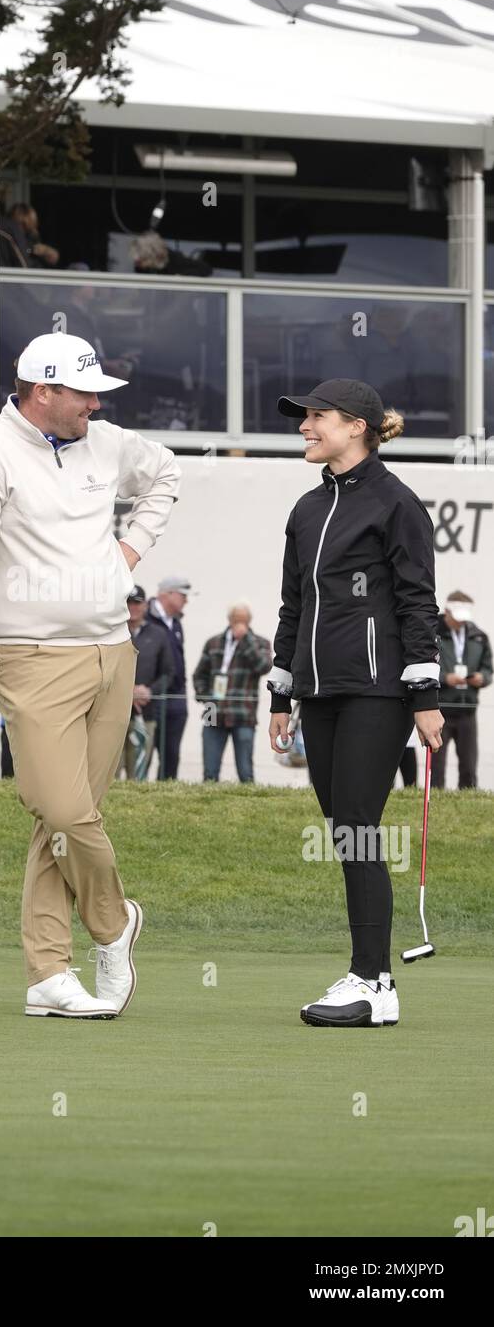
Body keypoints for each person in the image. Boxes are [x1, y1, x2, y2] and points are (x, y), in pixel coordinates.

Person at [0, 332, 181, 1019]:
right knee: (63, 808)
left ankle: (47, 974)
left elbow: (165, 474)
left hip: (111, 652)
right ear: (42, 391)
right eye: (83, 392)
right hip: (29, 656)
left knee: (62, 822)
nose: (95, 404)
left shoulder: (104, 441)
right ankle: (113, 924)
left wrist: (127, 551)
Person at [268, 379, 444, 1029]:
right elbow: (294, 606)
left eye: (318, 417)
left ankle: (373, 981)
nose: (305, 427)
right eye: (305, 418)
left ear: (357, 427)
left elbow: (417, 602)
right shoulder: (306, 511)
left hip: (380, 691)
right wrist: (281, 692)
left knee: (357, 824)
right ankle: (370, 975)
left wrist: (425, 698)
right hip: (318, 692)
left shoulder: (398, 504)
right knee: (345, 830)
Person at [194, 603, 272, 783]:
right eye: (236, 620)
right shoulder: (213, 643)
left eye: (243, 621)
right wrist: (206, 697)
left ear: (249, 622)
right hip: (213, 710)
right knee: (210, 772)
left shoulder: (260, 643)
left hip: (243, 713)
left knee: (245, 772)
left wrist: (246, 640)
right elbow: (199, 675)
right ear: (229, 621)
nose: (239, 625)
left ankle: (247, 801)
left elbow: (263, 666)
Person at [430, 590, 492, 790]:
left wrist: (482, 678)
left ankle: (468, 795)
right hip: (441, 710)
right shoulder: (433, 634)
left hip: (467, 710)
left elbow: (488, 669)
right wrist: (445, 678)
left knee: (468, 764)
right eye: (457, 618)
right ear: (447, 611)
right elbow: (425, 665)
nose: (461, 623)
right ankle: (436, 798)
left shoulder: (479, 637)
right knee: (437, 765)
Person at [117, 585, 174, 780]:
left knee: (139, 769)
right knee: (110, 770)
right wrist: (127, 691)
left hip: (145, 712)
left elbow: (168, 672)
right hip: (113, 711)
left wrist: (148, 691)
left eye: (137, 603)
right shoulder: (113, 632)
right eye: (129, 602)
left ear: (145, 606)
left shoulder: (159, 634)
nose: (132, 607)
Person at [144, 575, 191, 779]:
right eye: (183, 595)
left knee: (171, 754)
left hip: (176, 698)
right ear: (167, 594)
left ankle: (167, 791)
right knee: (143, 753)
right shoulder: (143, 617)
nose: (186, 601)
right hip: (150, 698)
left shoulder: (176, 623)